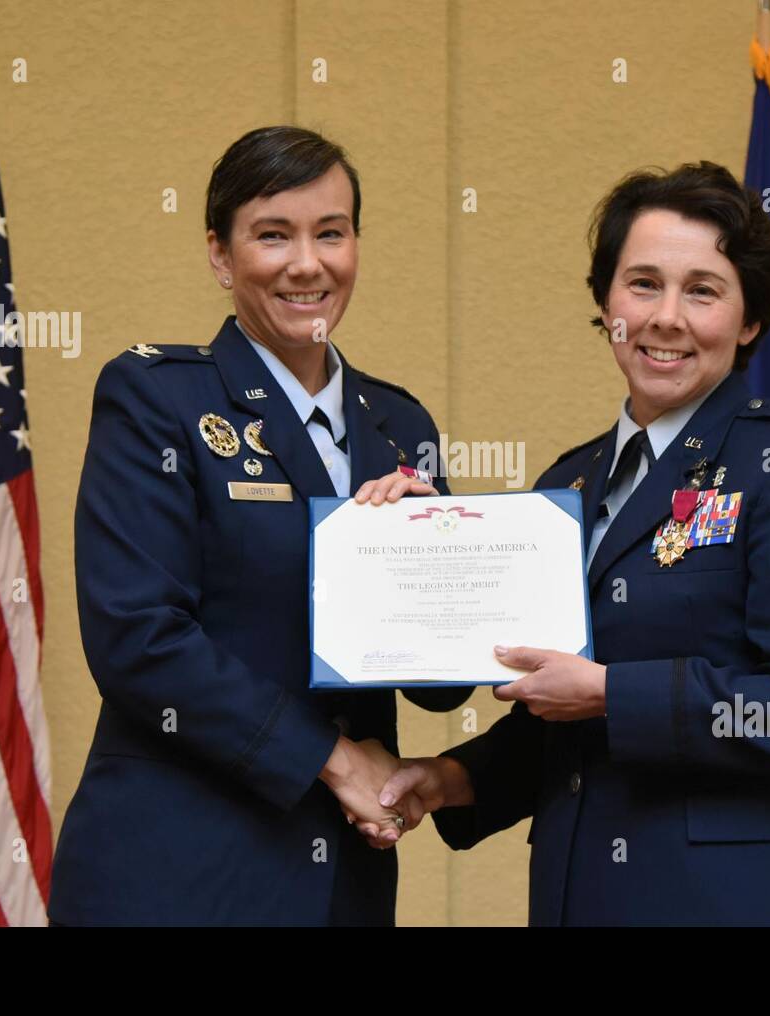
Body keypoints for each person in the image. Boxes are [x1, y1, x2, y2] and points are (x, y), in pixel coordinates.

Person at [375, 161, 770, 926]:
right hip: (582, 896)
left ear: (749, 321)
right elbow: (563, 717)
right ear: (606, 302)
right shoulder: (568, 485)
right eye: (642, 284)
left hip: (741, 905)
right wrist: (448, 777)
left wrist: (612, 693)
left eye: (703, 290)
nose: (666, 317)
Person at [48, 126, 467, 926]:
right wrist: (333, 761)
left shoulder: (398, 422)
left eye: (330, 233)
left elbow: (439, 688)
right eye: (272, 235)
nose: (306, 264)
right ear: (220, 255)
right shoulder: (156, 398)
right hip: (178, 869)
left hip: (341, 880)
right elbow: (138, 640)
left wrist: (430, 555)